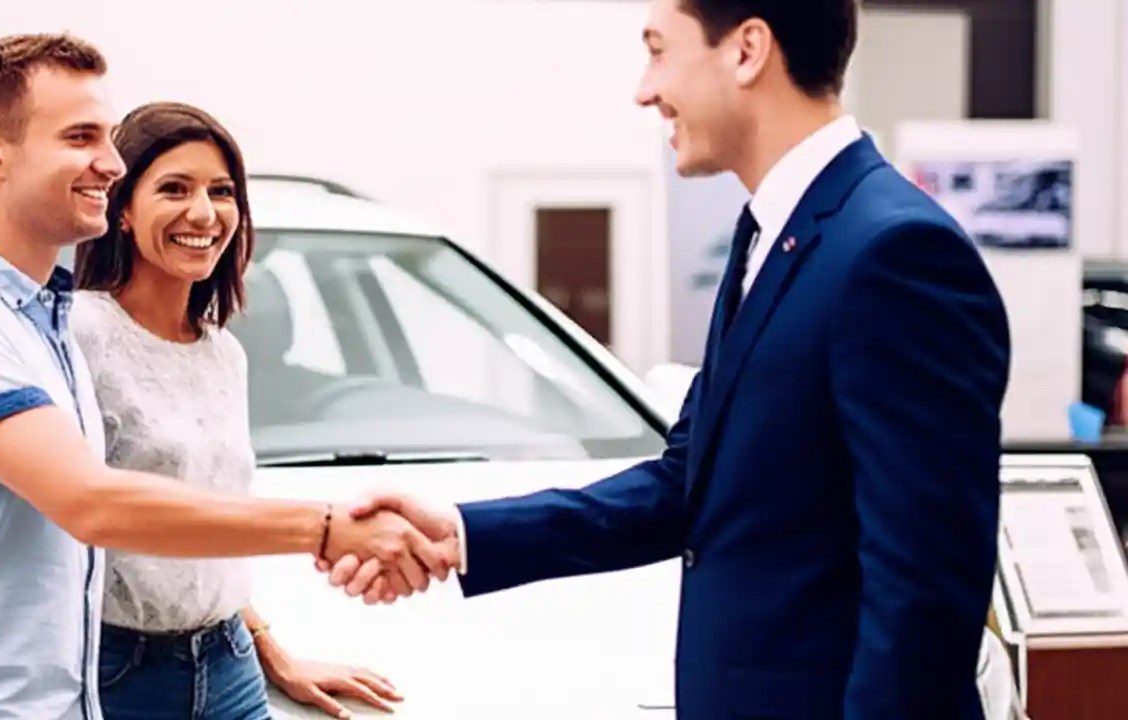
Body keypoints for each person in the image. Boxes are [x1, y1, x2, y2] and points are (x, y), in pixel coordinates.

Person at [325, 1, 1011, 718]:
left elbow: (924, 591)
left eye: (658, 51)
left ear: (747, 50)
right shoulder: (773, 236)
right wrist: (461, 533)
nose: (644, 90)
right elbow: (688, 484)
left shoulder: (894, 253)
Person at [0, 33, 450, 720]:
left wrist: (260, 638)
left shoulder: (40, 320)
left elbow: (169, 509)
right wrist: (326, 528)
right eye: (81, 137)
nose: (111, 164)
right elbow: (93, 504)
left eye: (109, 138)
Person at [70, 101, 402, 720]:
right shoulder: (80, 334)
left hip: (229, 666)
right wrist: (323, 529)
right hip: (116, 671)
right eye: (174, 189)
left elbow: (213, 524)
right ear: (122, 210)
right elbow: (81, 515)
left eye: (221, 192)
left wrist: (273, 652)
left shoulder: (224, 353)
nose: (204, 213)